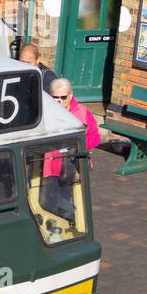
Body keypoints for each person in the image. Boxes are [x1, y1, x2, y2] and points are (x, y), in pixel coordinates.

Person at [40, 77, 100, 226]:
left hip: (73, 164)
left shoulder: (82, 112)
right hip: (52, 164)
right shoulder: (45, 112)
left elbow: (95, 136)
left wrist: (79, 145)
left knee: (66, 198)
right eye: (55, 97)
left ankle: (69, 224)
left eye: (63, 97)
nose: (59, 100)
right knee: (50, 200)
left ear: (71, 96)